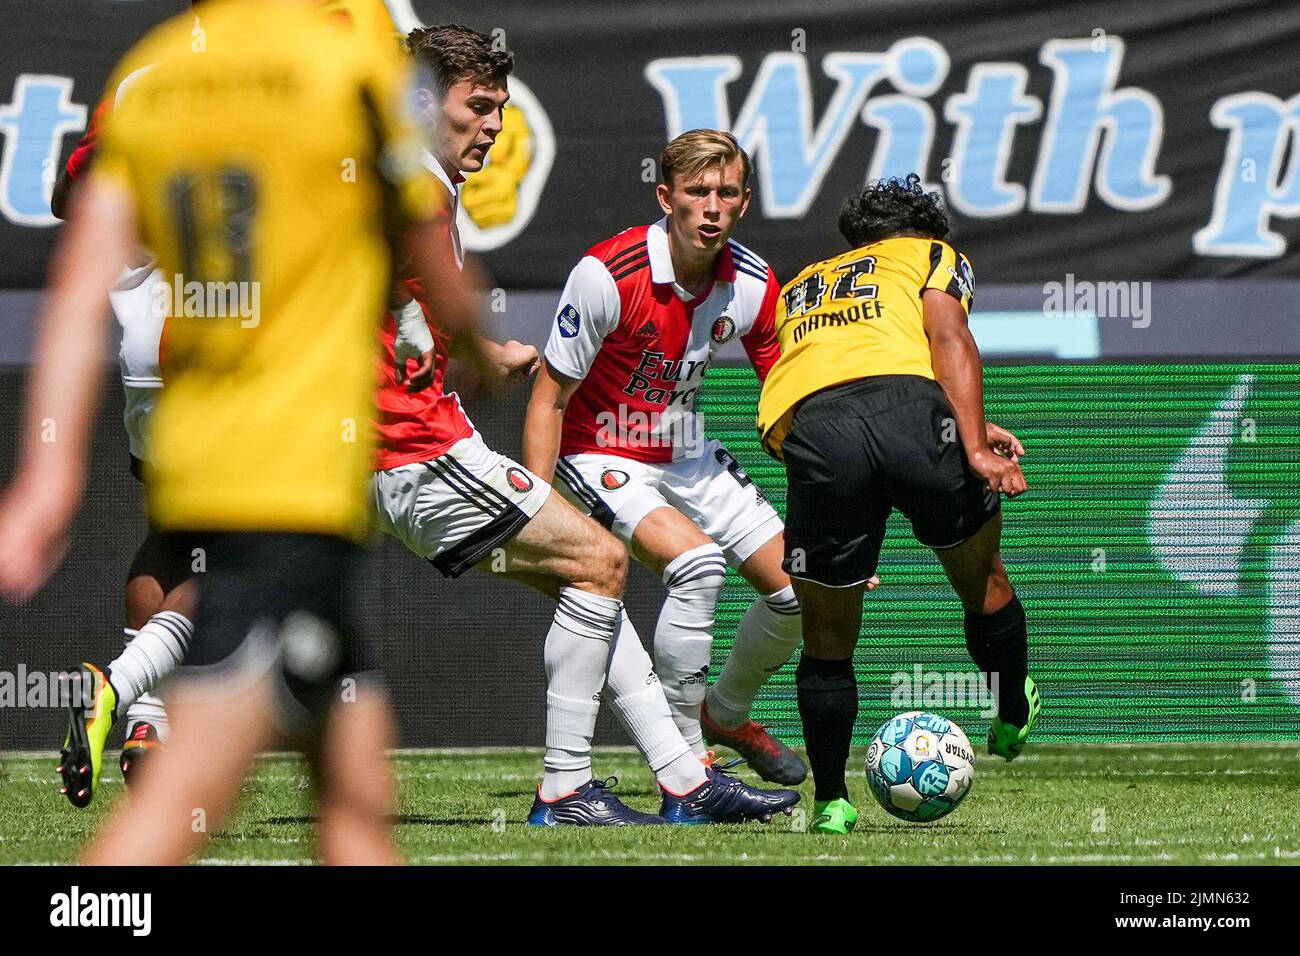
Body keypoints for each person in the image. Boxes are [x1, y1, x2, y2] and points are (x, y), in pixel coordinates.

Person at [0, 0, 474, 864]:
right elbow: (426, 233)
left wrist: (47, 477)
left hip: (202, 442)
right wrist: (473, 341)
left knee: (358, 791)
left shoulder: (154, 72)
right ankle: (134, 706)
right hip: (293, 474)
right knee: (178, 807)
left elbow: (78, 272)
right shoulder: (354, 63)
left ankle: (135, 701)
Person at [372, 27, 799, 825]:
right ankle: (570, 786)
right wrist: (474, 350)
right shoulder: (412, 187)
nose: (496, 123)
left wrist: (465, 346)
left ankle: (683, 779)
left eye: (501, 105)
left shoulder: (414, 181)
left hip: (406, 437)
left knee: (592, 576)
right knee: (602, 560)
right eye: (481, 105)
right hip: (408, 443)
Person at [525, 129, 873, 785]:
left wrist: (831, 527)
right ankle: (690, 757)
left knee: (806, 591)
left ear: (743, 203)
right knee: (698, 565)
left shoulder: (752, 282)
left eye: (727, 192)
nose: (712, 206)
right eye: (697, 192)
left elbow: (793, 401)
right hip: (596, 446)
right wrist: (537, 511)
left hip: (683, 448)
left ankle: (726, 714)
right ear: (667, 198)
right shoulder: (607, 275)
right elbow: (549, 397)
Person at [756, 173, 1041, 835]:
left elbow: (837, 366)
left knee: (827, 639)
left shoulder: (804, 282)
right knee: (985, 582)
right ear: (927, 230)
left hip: (817, 432)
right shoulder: (933, 254)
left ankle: (830, 801)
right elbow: (947, 339)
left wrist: (965, 424)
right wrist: (970, 445)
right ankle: (1008, 711)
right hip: (916, 417)